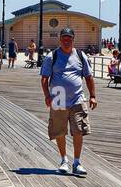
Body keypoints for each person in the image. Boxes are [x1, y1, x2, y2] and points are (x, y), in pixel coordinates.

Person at [40, 27, 96, 177]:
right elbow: (44, 78)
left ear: (73, 39)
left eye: (69, 38)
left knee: (79, 130)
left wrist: (92, 96)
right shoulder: (52, 56)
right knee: (60, 130)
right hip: (58, 96)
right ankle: (64, 160)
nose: (66, 41)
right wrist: (47, 95)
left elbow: (89, 77)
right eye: (63, 38)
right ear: (60, 40)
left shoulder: (80, 55)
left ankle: (77, 162)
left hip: (78, 97)